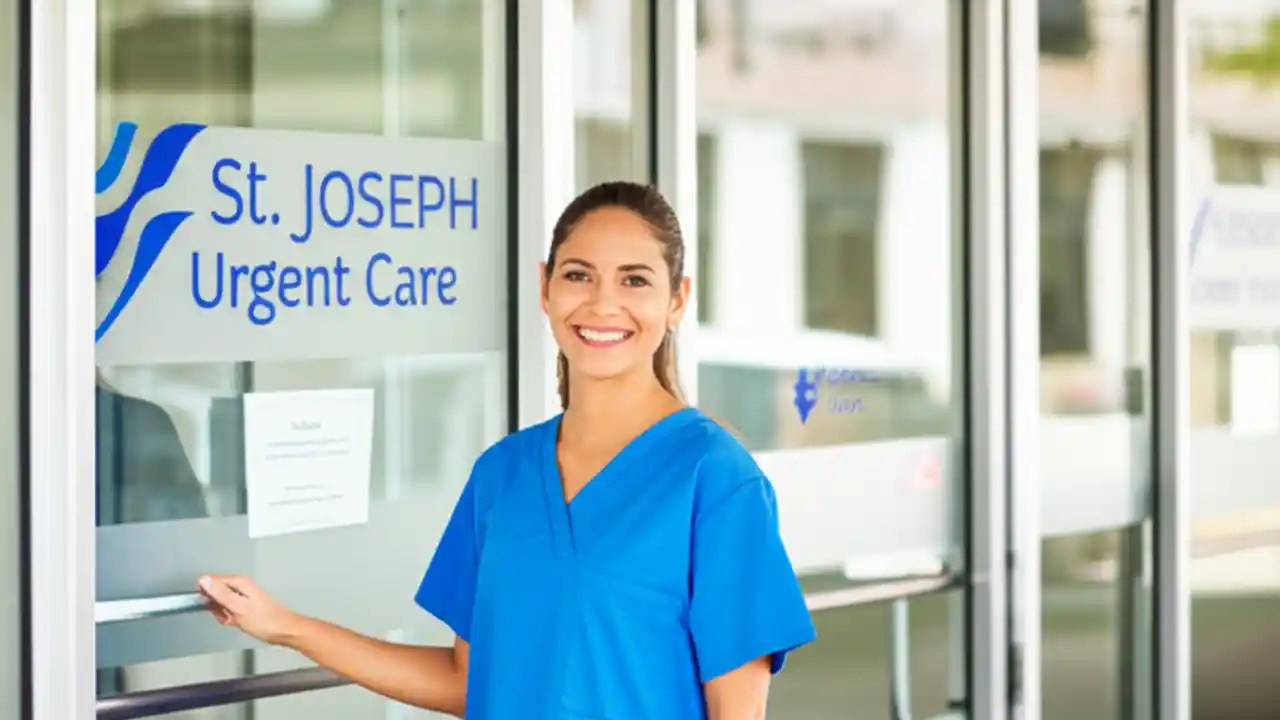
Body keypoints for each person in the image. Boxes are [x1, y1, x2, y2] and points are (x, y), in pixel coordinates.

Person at [196, 181, 817, 719]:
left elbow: (740, 710)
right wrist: (288, 627)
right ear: (545, 288)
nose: (603, 304)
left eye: (635, 280)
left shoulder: (714, 480)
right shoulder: (504, 475)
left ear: (677, 300)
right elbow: (465, 681)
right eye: (579, 275)